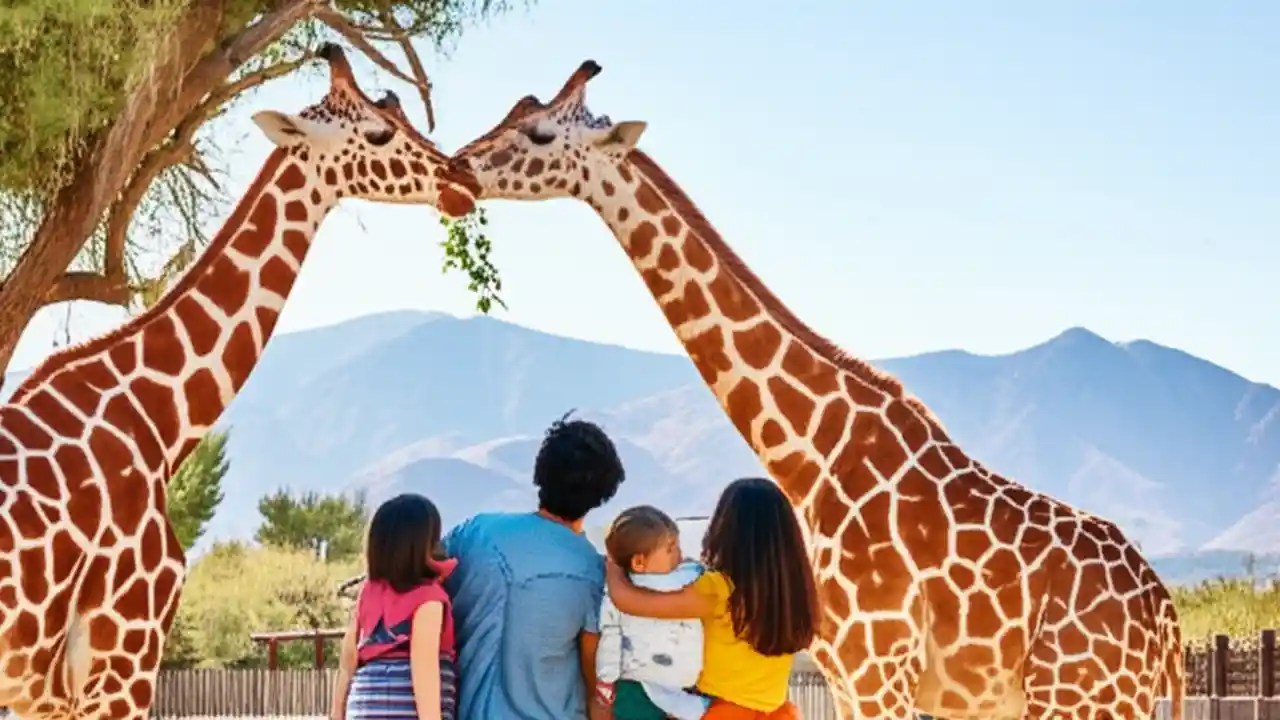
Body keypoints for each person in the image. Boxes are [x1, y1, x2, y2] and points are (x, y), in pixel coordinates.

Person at [443, 413, 626, 720]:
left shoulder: (474, 533)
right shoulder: (593, 573)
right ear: (602, 495)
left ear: (540, 472)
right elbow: (597, 685)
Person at [605, 478, 820, 720]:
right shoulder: (791, 594)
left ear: (726, 531)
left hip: (722, 712)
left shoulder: (718, 590)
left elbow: (628, 601)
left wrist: (613, 562)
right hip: (775, 712)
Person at [331, 493, 459, 720]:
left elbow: (348, 659)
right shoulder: (429, 598)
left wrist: (336, 714)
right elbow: (424, 668)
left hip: (362, 707)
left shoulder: (368, 593)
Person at [597, 505, 711, 720]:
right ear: (639, 562)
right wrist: (606, 678)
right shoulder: (690, 580)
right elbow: (610, 640)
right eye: (670, 548)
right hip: (637, 688)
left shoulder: (690, 579)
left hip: (683, 688)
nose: (680, 553)